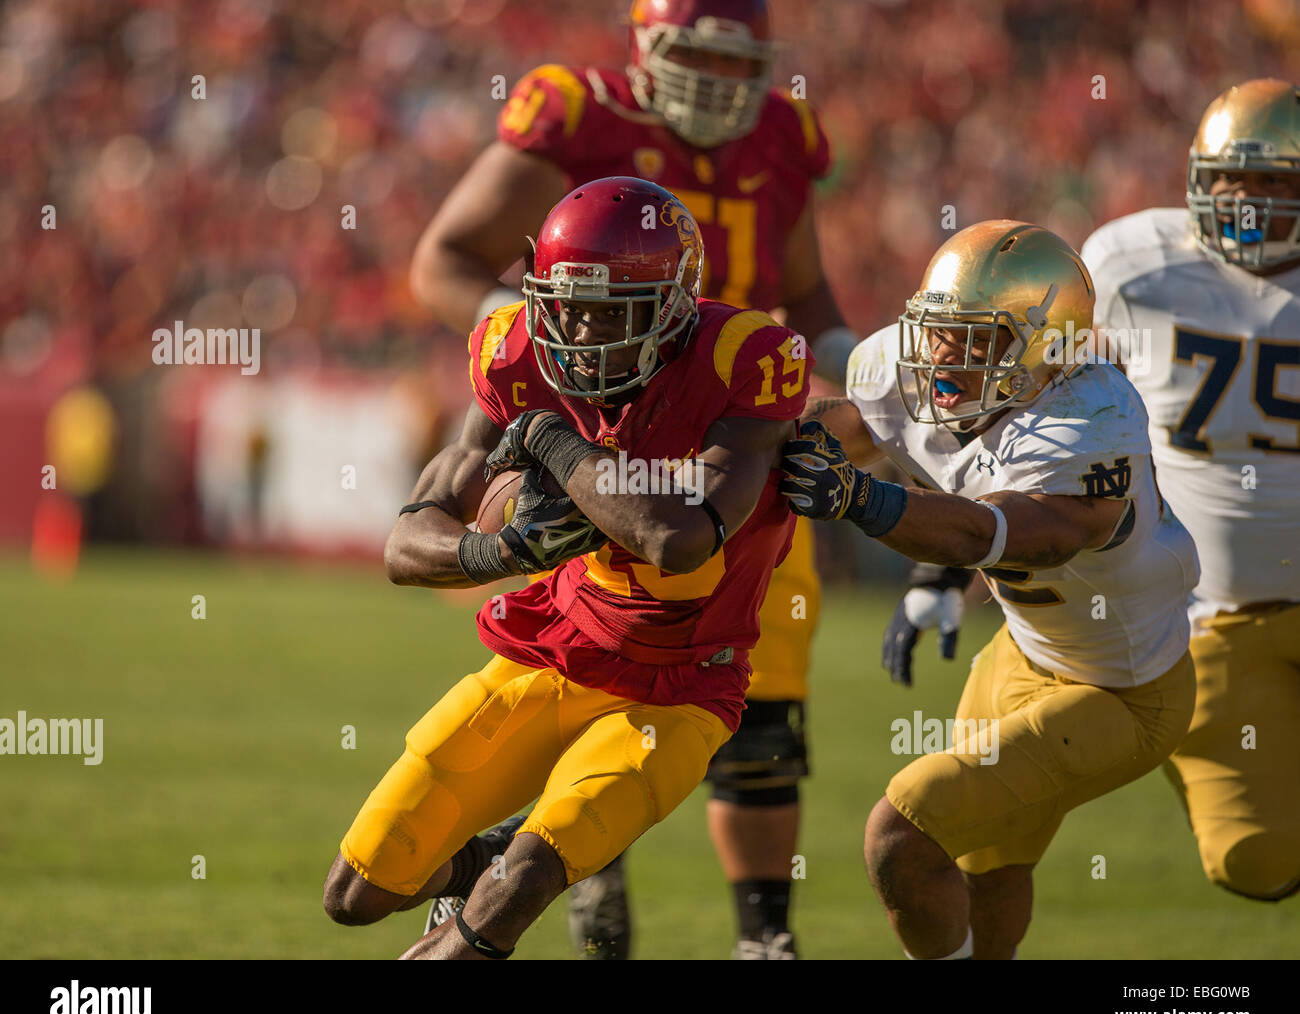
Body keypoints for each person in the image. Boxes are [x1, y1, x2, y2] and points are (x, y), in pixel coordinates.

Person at [410, 0, 854, 959]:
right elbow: (443, 261)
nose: (717, 81)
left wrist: (857, 374)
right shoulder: (580, 119)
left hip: (740, 441)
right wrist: (549, 346)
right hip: (597, 444)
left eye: (737, 63)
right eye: (693, 51)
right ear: (645, 44)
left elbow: (811, 294)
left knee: (763, 694)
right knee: (588, 661)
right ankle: (561, 863)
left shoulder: (782, 135)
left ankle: (764, 940)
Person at [323, 177, 811, 959]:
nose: (582, 333)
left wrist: (556, 442)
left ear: (676, 305)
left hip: (678, 685)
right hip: (552, 651)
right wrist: (498, 553)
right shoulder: (516, 347)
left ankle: (504, 880)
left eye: (612, 314)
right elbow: (405, 543)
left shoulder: (740, 357)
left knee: (511, 897)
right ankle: (485, 859)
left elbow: (678, 538)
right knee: (355, 894)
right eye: (567, 306)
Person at [779, 220, 1199, 958]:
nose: (942, 355)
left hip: (1123, 691)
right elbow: (842, 429)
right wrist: (749, 444)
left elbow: (992, 531)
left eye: (974, 340)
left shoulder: (1091, 422)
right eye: (939, 330)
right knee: (990, 866)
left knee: (900, 837)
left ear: (1047, 351)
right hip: (1024, 652)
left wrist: (861, 502)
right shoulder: (923, 372)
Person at [1081, 78, 1300, 902]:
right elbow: (1055, 408)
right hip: (1219, 614)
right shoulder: (1132, 263)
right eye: (1232, 180)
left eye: (1275, 181)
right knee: (1257, 859)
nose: (1249, 201)